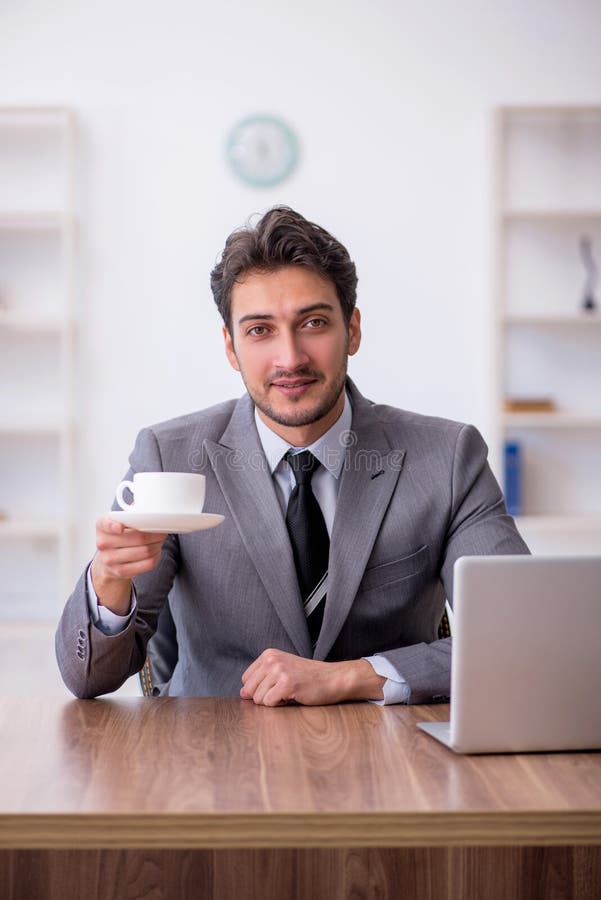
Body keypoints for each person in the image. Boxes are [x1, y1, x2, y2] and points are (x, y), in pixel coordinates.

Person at [56, 206, 528, 704]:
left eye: (314, 322)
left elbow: (518, 638)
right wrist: (108, 580)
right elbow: (88, 680)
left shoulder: (448, 458)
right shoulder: (169, 455)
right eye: (260, 330)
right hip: (208, 756)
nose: (290, 359)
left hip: (393, 759)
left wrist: (354, 676)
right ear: (231, 348)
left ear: (354, 329)